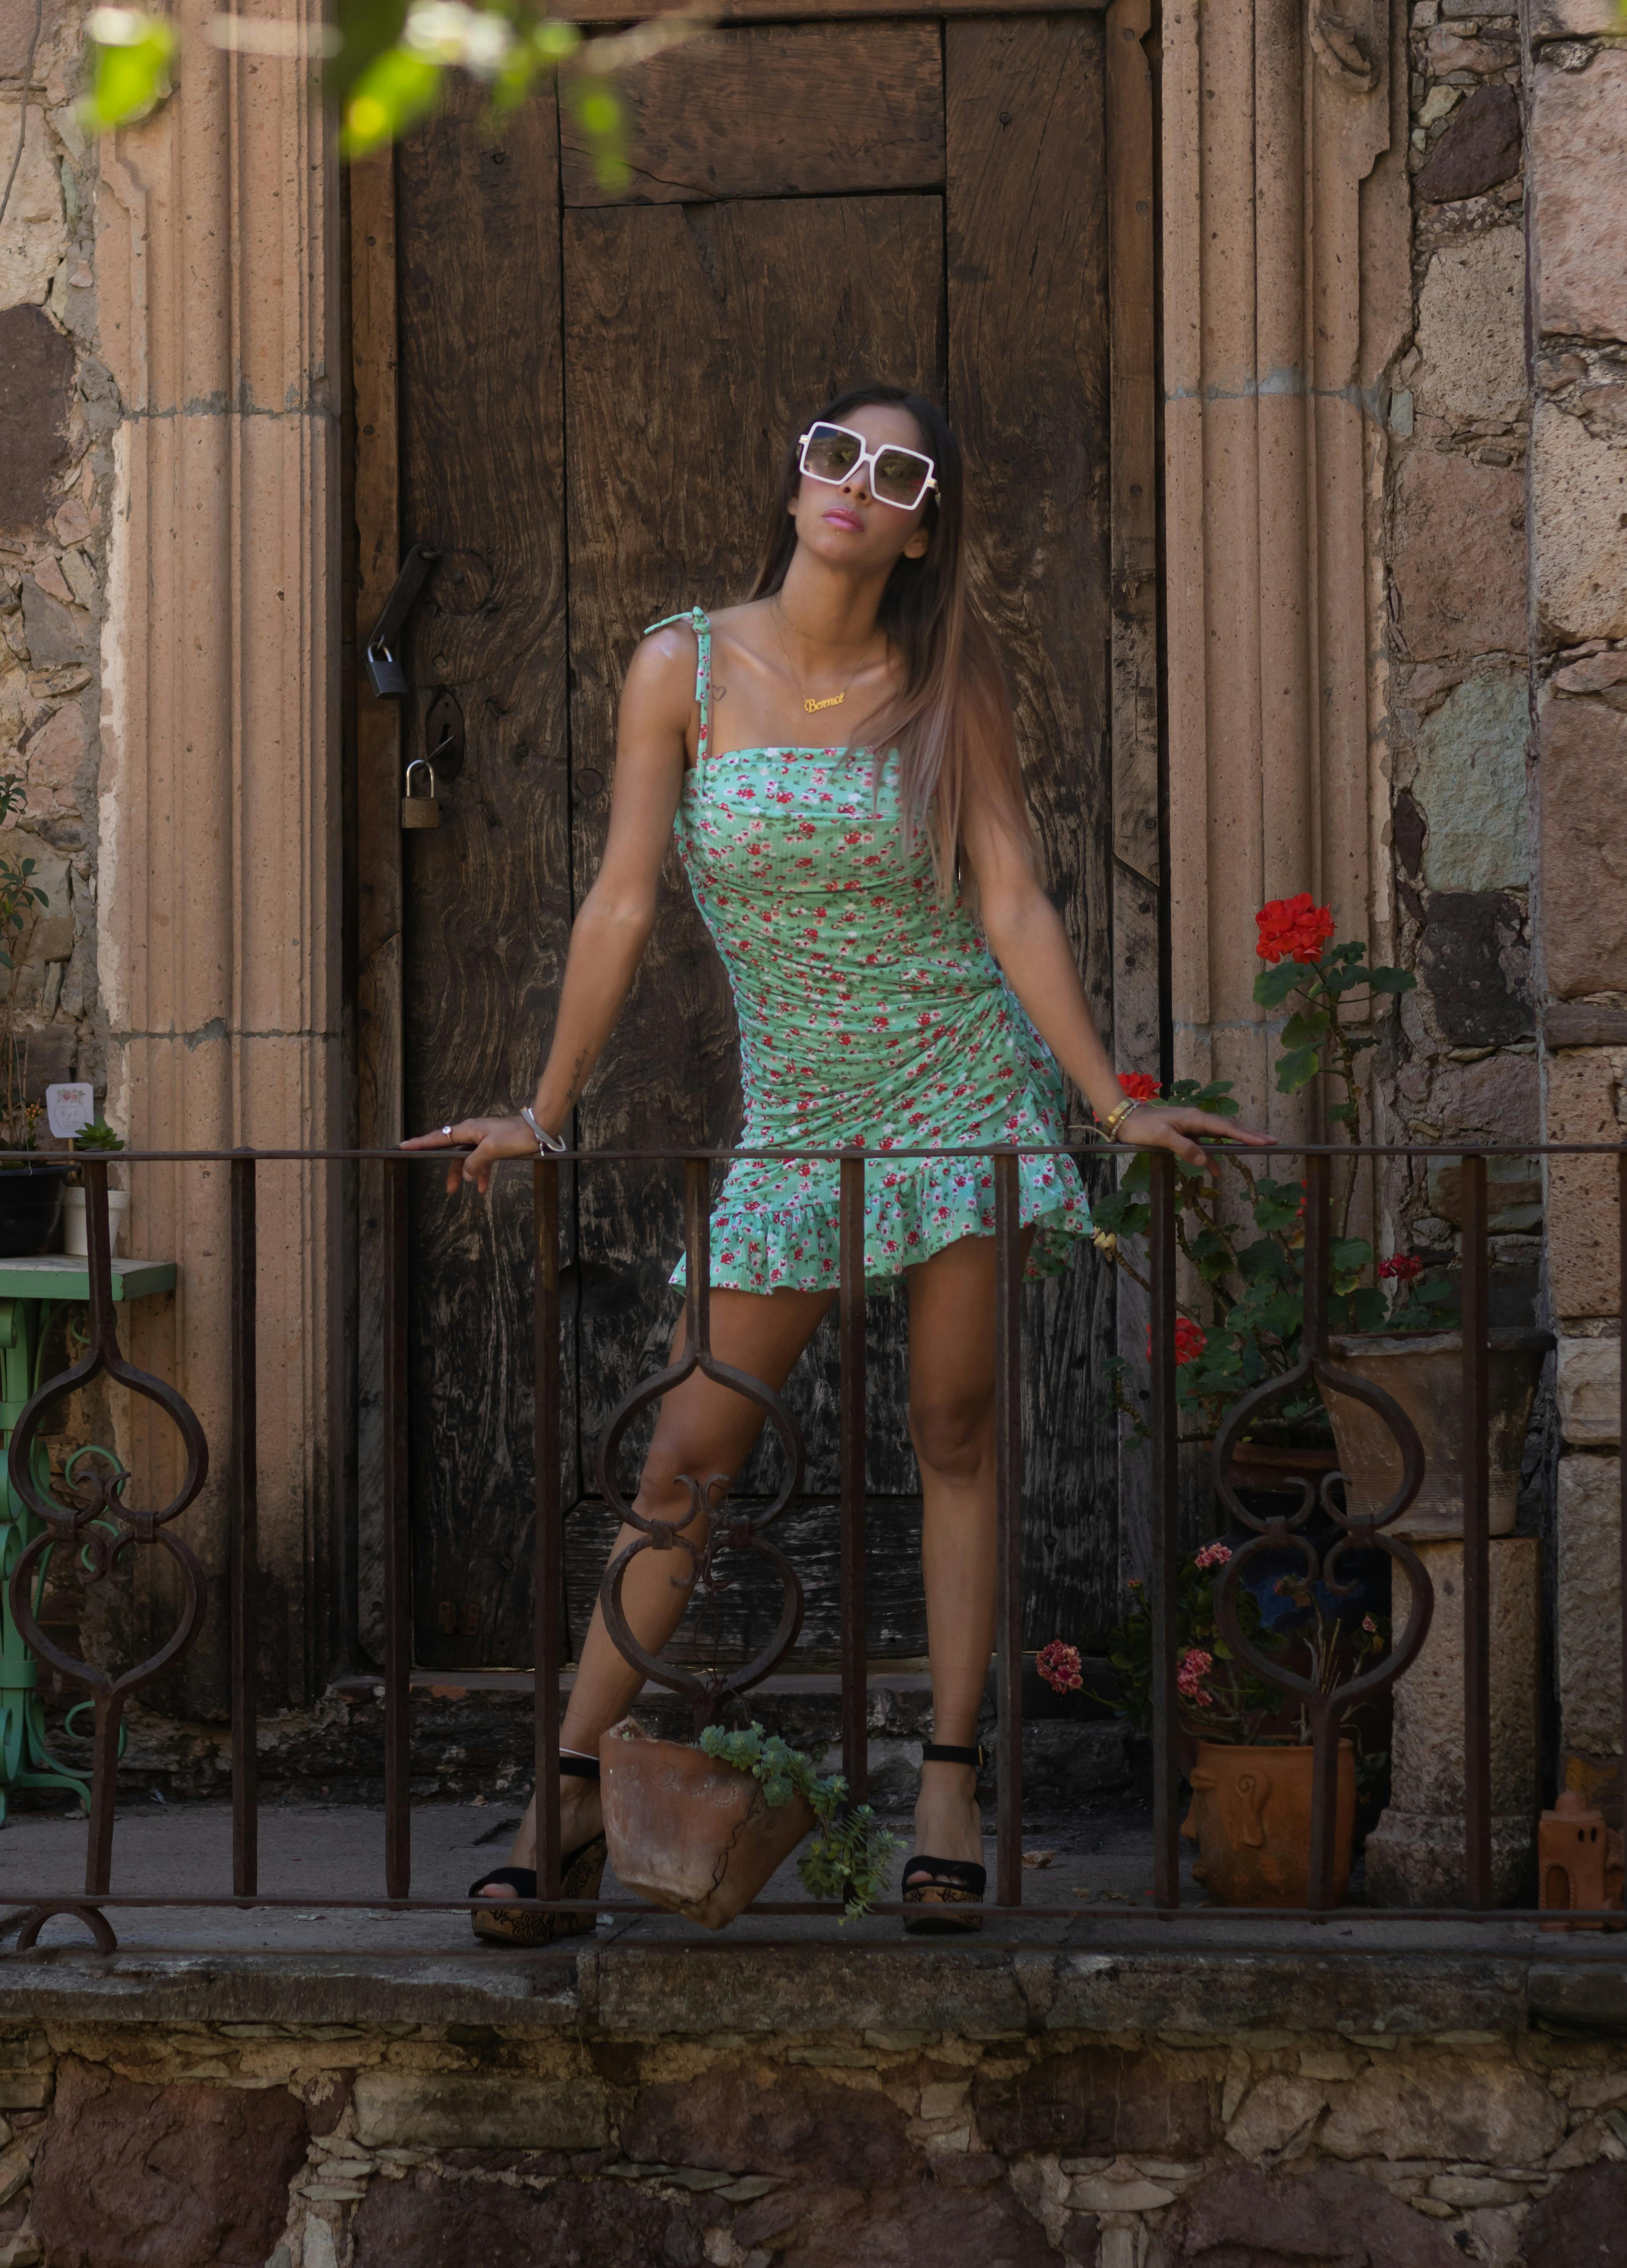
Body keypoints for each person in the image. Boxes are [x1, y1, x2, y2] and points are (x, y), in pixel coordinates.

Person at [406, 384, 1264, 1942]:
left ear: (922, 520)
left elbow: (1011, 902)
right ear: (797, 477)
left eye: (894, 472)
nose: (853, 485)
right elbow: (619, 899)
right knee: (686, 1460)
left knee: (950, 1427)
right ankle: (572, 1788)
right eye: (832, 455)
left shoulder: (944, 680)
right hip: (800, 1111)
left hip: (956, 1084)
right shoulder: (682, 664)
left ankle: (946, 1780)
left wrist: (1109, 1103)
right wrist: (542, 1108)